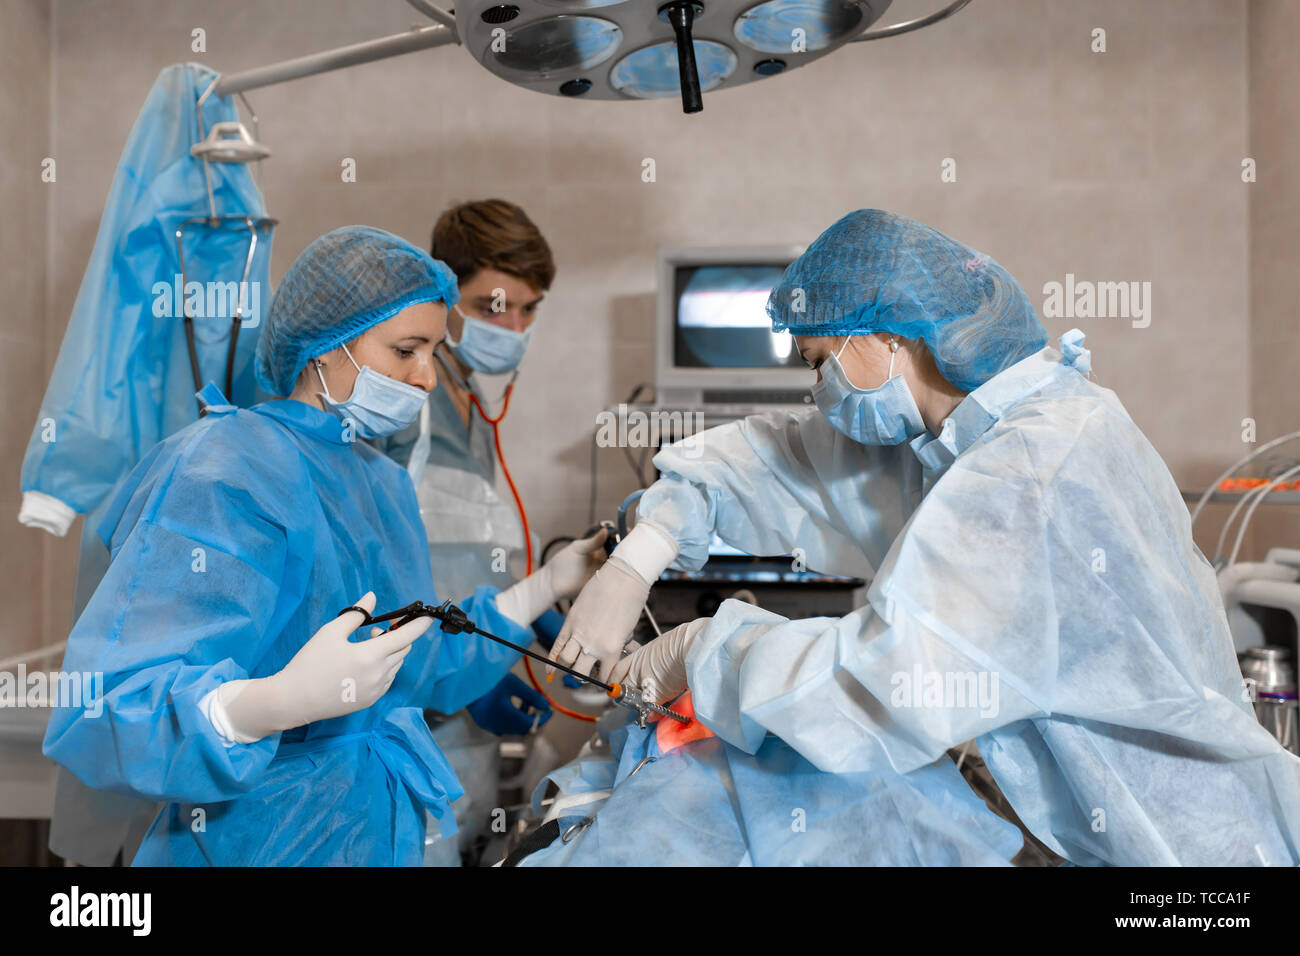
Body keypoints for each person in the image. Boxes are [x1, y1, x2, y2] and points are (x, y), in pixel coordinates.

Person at [551, 209, 1300, 867]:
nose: (819, 395)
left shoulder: (1031, 471)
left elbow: (878, 688)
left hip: (1192, 851)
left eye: (819, 365)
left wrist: (704, 650)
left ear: (885, 336)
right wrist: (641, 551)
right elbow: (778, 461)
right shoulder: (966, 441)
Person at [42, 226, 606, 866]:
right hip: (251, 835)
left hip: (376, 825)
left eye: (434, 352)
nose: (426, 378)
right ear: (325, 347)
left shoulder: (380, 483)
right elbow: (117, 702)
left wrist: (544, 586)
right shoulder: (223, 467)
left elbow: (414, 660)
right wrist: (268, 704)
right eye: (406, 350)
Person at [372, 200, 562, 864]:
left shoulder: (472, 405)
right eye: (491, 307)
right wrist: (457, 687)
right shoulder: (398, 404)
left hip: (466, 708)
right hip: (409, 715)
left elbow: (461, 548)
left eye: (528, 309)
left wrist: (538, 617)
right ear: (442, 294)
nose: (512, 327)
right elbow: (367, 572)